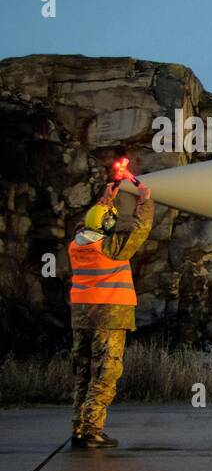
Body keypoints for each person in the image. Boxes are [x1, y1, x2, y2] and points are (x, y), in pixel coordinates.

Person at [68, 180, 153, 448]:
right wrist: (145, 203)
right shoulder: (111, 249)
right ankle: (93, 429)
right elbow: (140, 231)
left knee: (83, 373)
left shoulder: (77, 245)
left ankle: (80, 428)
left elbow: (90, 224)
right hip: (109, 319)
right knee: (105, 374)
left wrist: (105, 200)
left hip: (82, 320)